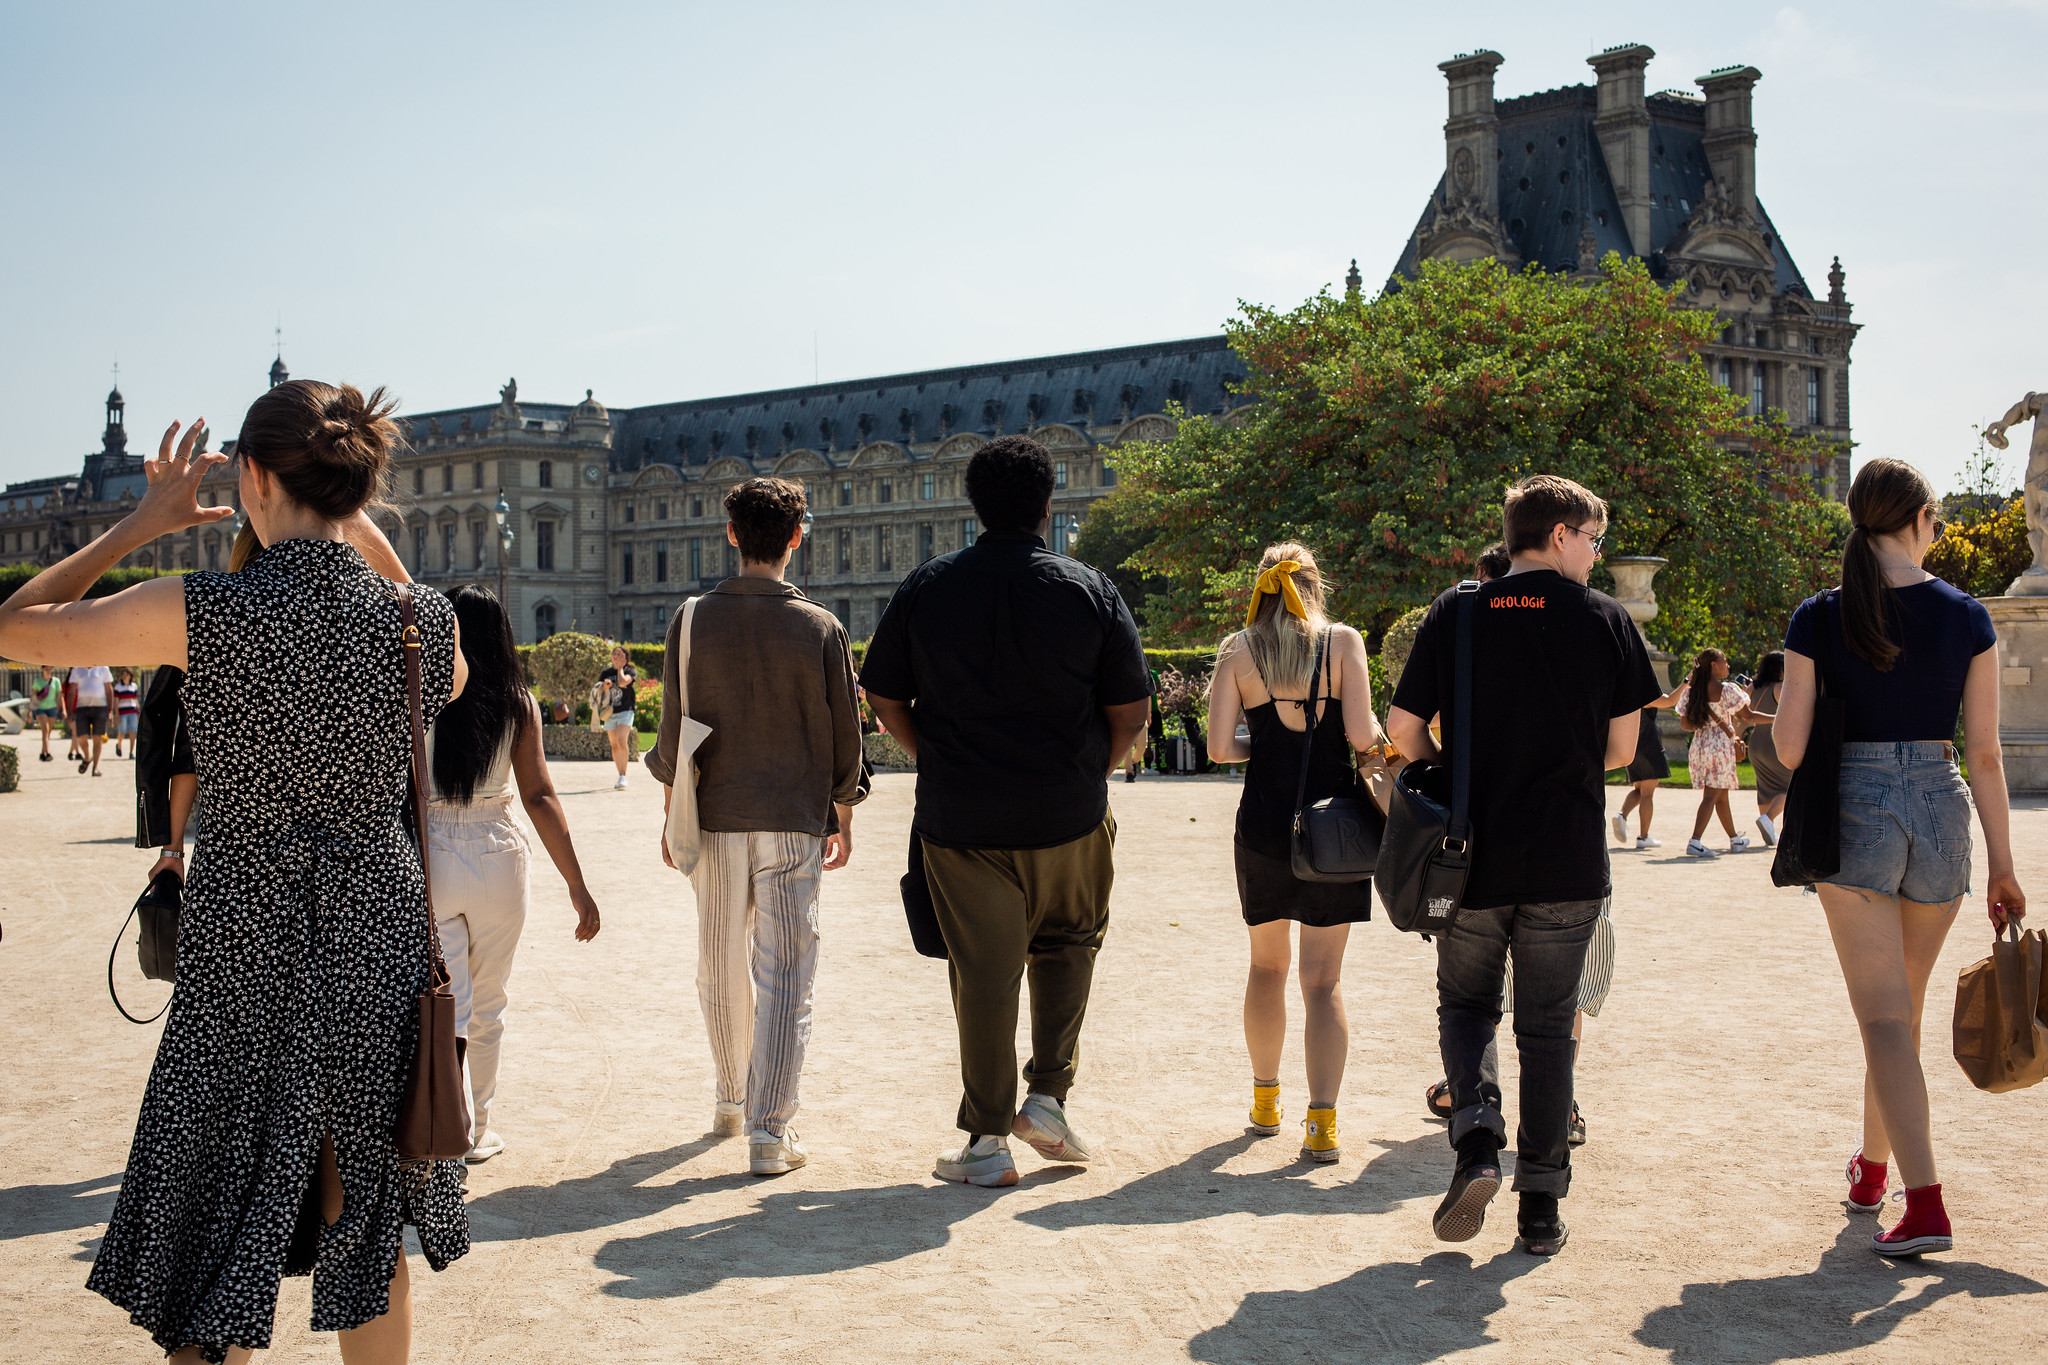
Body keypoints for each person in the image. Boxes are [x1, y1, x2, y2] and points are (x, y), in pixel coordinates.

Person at [0, 380, 473, 1364]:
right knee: (367, 1225)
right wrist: (365, 532)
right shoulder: (418, 620)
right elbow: (454, 669)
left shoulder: (207, 609)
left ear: (252, 478)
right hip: (375, 941)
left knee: (216, 1232)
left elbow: (17, 626)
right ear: (355, 486)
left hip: (245, 937)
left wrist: (139, 522)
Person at [861, 435, 1153, 1188]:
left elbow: (884, 694)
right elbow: (1131, 709)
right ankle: (1048, 1098)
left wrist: (932, 754)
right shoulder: (1091, 589)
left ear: (973, 504)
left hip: (965, 821)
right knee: (1070, 946)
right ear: (1050, 503)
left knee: (984, 974)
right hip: (1071, 812)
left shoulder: (927, 586)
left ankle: (987, 1141)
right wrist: (1095, 768)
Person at [1387, 474, 1658, 1257]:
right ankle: (1540, 1207)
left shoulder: (1460, 610)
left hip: (1472, 853)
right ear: (1564, 532)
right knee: (1547, 1029)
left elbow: (1404, 730)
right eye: (1595, 541)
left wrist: (1458, 771)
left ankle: (1475, 1139)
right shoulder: (1607, 620)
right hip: (1567, 856)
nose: (1596, 557)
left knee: (1467, 1006)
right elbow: (1617, 750)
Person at [1772, 457, 2026, 1259]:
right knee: (1900, 1017)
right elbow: (1984, 753)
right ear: (1918, 519)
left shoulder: (1819, 614)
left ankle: (1925, 1204)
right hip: (1942, 803)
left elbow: (1789, 745)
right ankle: (1873, 1169)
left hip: (1858, 807)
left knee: (1884, 1019)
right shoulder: (1968, 615)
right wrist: (2004, 867)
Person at [650, 477, 866, 1176]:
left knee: (718, 961)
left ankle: (730, 1094)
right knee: (784, 972)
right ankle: (770, 1129)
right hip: (792, 818)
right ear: (798, 538)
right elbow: (845, 734)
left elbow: (673, 732)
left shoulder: (688, 620)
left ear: (731, 534)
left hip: (713, 813)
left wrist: (668, 811)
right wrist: (844, 807)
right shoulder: (823, 627)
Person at [1205, 544, 1380, 1161]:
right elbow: (1361, 737)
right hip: (1335, 830)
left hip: (1264, 826)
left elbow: (1221, 747)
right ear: (1314, 587)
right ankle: (1324, 1124)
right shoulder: (1343, 642)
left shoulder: (1239, 649)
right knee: (1324, 982)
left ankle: (1264, 1100)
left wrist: (1272, 749)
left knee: (1266, 971)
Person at [427, 585, 601, 1163]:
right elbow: (540, 795)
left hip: (433, 849)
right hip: (498, 848)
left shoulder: (418, 696)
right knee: (491, 998)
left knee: (445, 997)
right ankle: (481, 1128)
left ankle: (446, 1124)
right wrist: (577, 886)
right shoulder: (517, 703)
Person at [1677, 649, 1752, 857]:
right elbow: (1749, 714)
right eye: (1724, 661)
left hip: (1701, 744)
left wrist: (1705, 723)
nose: (1727, 665)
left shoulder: (1692, 691)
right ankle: (1695, 840)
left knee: (1721, 795)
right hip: (1720, 745)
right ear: (1713, 665)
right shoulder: (1726, 689)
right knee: (1711, 795)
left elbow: (1685, 724)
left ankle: (1735, 839)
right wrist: (1776, 718)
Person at [1611, 682, 1684, 850]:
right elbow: (1670, 701)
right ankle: (1644, 836)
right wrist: (1686, 683)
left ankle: (1622, 815)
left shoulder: (1625, 696)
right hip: (1649, 745)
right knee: (1648, 793)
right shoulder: (1643, 695)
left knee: (1639, 789)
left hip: (1632, 747)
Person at [1742, 650, 1790, 846]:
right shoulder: (1779, 688)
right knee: (1790, 785)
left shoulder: (1752, 687)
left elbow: (1741, 709)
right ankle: (1768, 819)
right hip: (1773, 740)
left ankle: (1768, 828)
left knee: (1765, 785)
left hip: (1755, 742)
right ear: (1779, 668)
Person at [71, 660, 114, 774]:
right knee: (81, 737)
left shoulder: (103, 668)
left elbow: (108, 689)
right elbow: (72, 690)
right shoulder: (77, 668)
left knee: (97, 738)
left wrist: (110, 710)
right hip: (82, 707)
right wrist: (70, 710)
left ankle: (95, 767)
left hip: (100, 707)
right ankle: (87, 757)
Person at [28, 663, 63, 762]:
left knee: (48, 733)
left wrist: (63, 709)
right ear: (42, 669)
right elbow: (33, 697)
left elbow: (60, 696)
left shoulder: (56, 681)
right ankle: (47, 753)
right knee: (45, 729)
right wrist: (29, 712)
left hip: (52, 708)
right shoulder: (37, 682)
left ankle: (42, 753)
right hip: (40, 708)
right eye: (46, 668)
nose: (48, 670)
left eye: (50, 668)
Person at [111, 666, 141, 759]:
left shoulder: (134, 686)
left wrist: (138, 710)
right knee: (122, 732)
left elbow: (135, 699)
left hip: (132, 711)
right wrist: (117, 714)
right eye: (123, 675)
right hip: (122, 712)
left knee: (133, 731)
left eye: (126, 675)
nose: (124, 676)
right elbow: (116, 702)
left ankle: (131, 752)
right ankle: (119, 745)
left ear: (130, 676)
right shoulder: (118, 687)